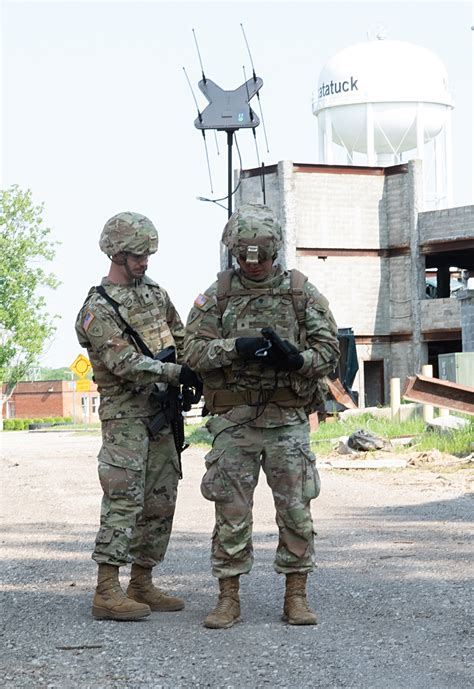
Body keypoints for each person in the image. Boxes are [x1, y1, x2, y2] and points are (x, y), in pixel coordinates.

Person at [183, 203, 339, 629]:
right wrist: (237, 347)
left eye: (263, 259)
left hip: (287, 419)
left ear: (276, 253)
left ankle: (296, 595)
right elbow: (192, 352)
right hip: (235, 421)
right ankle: (228, 598)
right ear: (235, 254)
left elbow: (330, 352)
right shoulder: (216, 296)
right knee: (230, 511)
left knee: (295, 509)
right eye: (245, 259)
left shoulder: (301, 293)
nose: (254, 267)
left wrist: (296, 359)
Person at [75, 211, 199, 621]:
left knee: (161, 499)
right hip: (126, 416)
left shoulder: (156, 294)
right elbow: (122, 361)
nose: (144, 261)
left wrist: (196, 366)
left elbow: (180, 338)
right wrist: (173, 372)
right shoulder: (97, 307)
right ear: (117, 252)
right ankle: (106, 590)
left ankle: (141, 581)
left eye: (148, 254)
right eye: (137, 255)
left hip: (161, 412)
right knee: (123, 498)